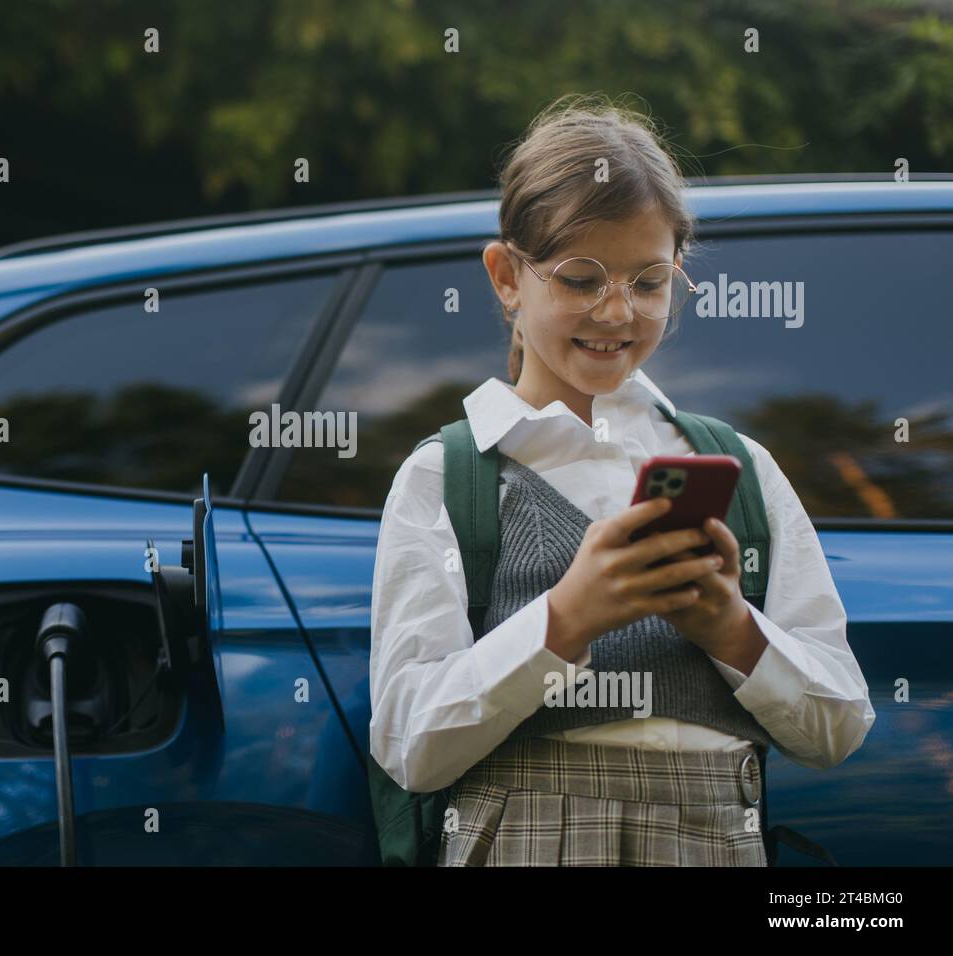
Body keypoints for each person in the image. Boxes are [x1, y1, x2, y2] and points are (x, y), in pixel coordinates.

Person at [367, 94, 875, 866]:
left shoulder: (741, 471)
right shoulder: (447, 476)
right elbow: (411, 746)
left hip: (712, 838)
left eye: (647, 282)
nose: (616, 311)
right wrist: (567, 618)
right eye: (580, 279)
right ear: (507, 276)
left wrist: (731, 628)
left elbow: (838, 730)